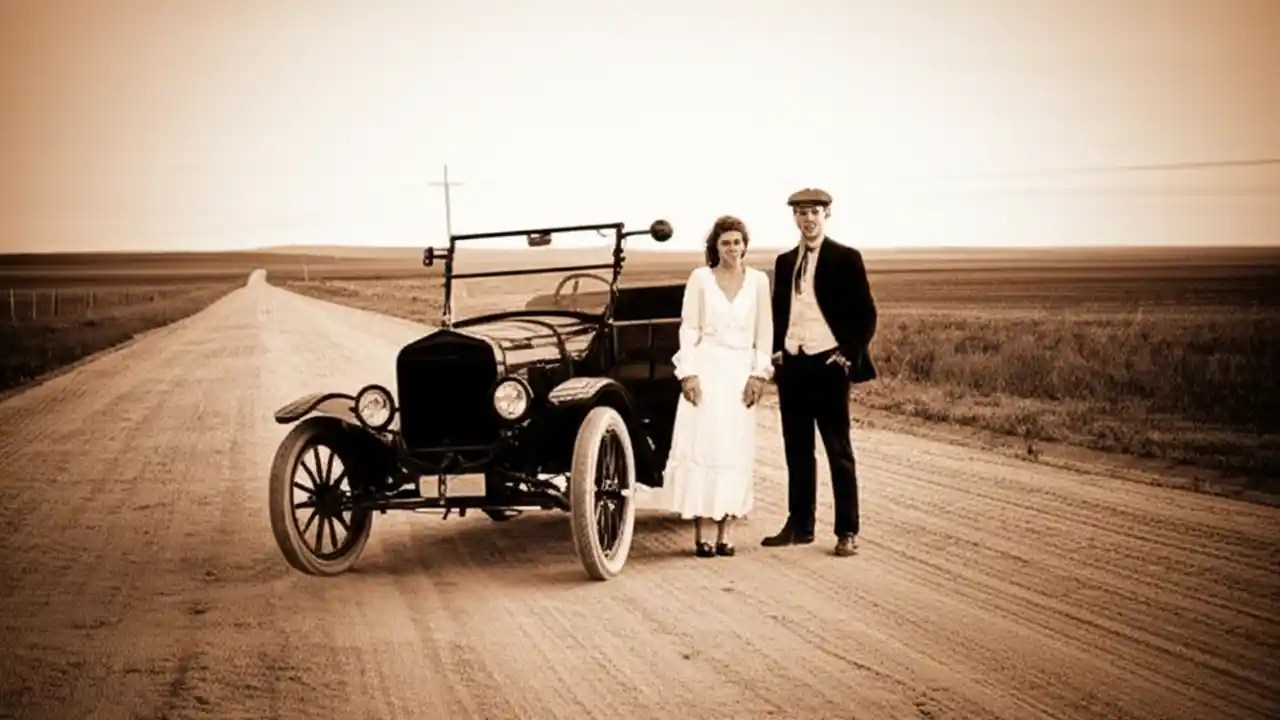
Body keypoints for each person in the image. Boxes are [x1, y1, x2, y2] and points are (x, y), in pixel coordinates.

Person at [761, 188, 877, 557]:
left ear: (827, 214)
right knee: (797, 449)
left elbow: (866, 315)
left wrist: (847, 357)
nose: (807, 219)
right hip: (794, 366)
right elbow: (780, 311)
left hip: (828, 364)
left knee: (837, 449)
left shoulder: (846, 258)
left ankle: (847, 531)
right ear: (794, 217)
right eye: (801, 213)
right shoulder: (784, 262)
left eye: (814, 212)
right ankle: (799, 525)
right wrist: (778, 352)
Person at [664, 215, 774, 558]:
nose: (732, 249)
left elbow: (764, 333)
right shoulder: (700, 278)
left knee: (733, 449)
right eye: (725, 242)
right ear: (715, 246)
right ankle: (701, 535)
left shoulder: (757, 281)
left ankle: (727, 532)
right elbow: (689, 329)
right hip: (707, 370)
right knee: (704, 447)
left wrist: (758, 375)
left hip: (740, 374)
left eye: (737, 242)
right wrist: (689, 373)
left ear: (745, 245)